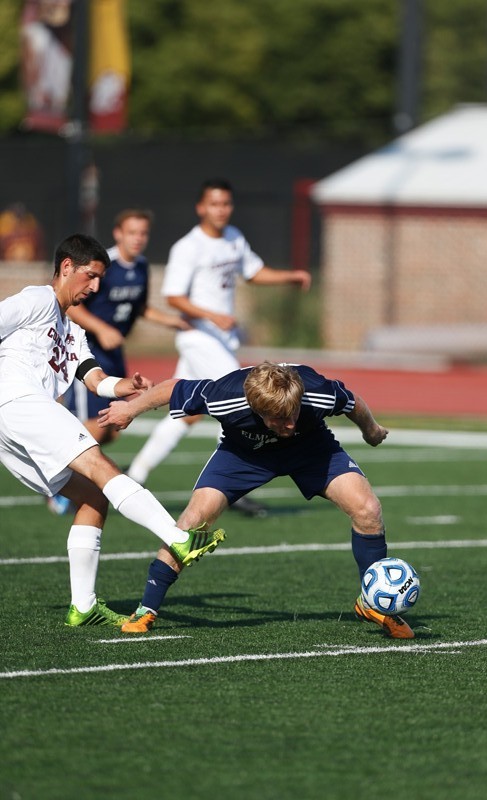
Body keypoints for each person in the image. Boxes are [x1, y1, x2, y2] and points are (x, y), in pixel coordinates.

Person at [0, 233, 225, 628]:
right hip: (17, 401)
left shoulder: (73, 329)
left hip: (13, 419)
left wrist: (130, 388)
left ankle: (83, 607)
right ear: (66, 267)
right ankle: (178, 538)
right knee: (101, 466)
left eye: (100, 279)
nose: (95, 287)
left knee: (93, 497)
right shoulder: (38, 299)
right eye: (90, 276)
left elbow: (96, 379)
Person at [99, 361, 415, 640]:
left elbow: (352, 402)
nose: (288, 424)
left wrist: (371, 430)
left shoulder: (316, 392)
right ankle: (147, 608)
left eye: (292, 414)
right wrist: (129, 409)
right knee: (191, 523)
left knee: (368, 509)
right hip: (243, 455)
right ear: (256, 408)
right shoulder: (225, 396)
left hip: (310, 449)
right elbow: (172, 388)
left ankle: (374, 604)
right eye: (278, 418)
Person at [127, 178, 312, 518]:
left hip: (220, 340)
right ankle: (232, 487)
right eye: (214, 203)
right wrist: (213, 316)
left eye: (226, 203)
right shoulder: (188, 246)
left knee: (184, 415)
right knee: (242, 397)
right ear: (201, 207)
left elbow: (254, 272)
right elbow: (174, 297)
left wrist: (291, 276)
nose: (221, 210)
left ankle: (134, 476)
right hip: (198, 337)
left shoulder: (233, 238)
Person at [47, 208, 190, 514]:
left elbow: (140, 308)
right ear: (118, 233)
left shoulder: (141, 266)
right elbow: (71, 305)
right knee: (96, 426)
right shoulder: (102, 265)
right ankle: (60, 485)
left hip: (114, 355)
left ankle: (65, 472)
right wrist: (101, 328)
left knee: (112, 426)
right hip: (88, 354)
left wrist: (173, 321)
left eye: (143, 233)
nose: (138, 239)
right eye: (132, 232)